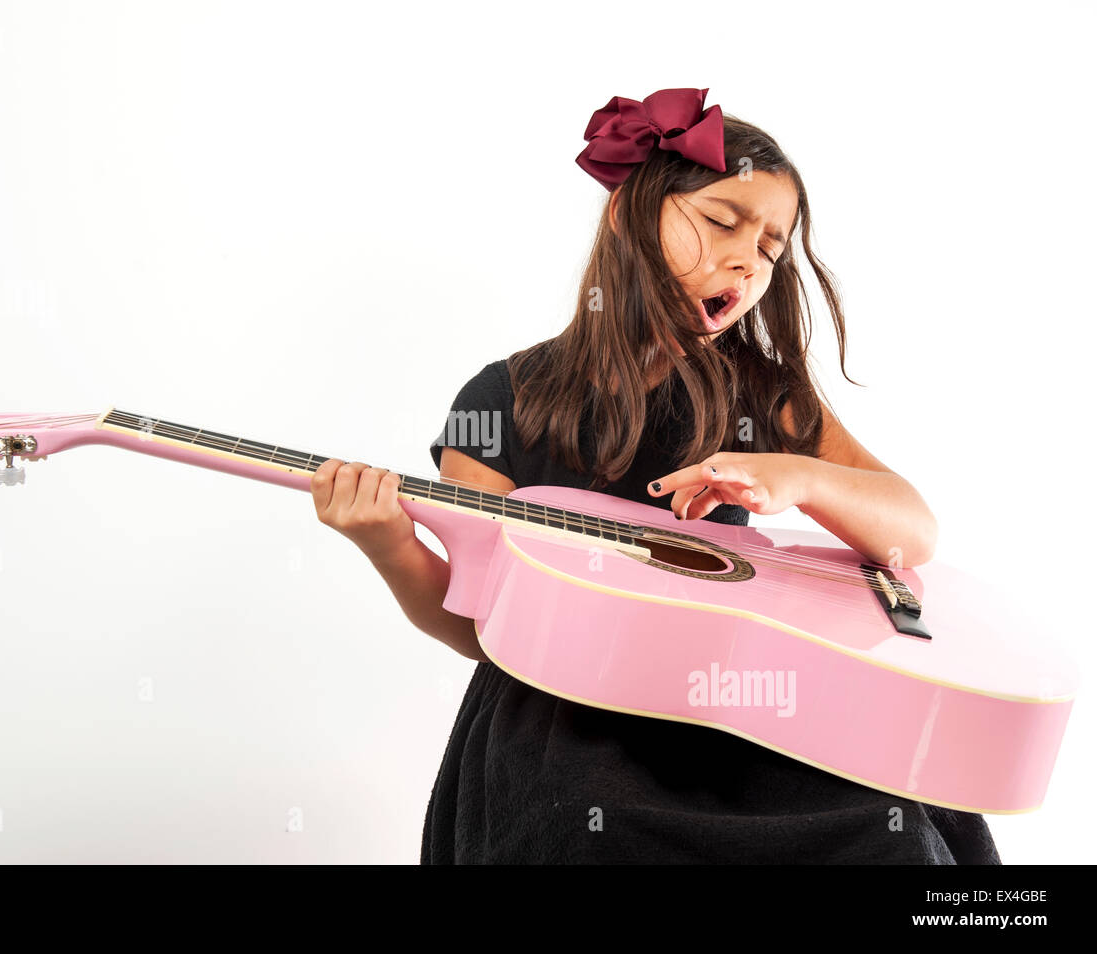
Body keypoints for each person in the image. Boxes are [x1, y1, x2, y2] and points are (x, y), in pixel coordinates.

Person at [308, 88, 1002, 864]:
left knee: (882, 832)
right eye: (721, 221)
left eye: (772, 248)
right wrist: (385, 543)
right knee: (592, 834)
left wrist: (799, 478)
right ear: (627, 216)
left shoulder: (763, 393)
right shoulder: (501, 402)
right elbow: (478, 623)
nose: (748, 258)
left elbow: (913, 529)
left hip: (733, 705)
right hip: (566, 721)